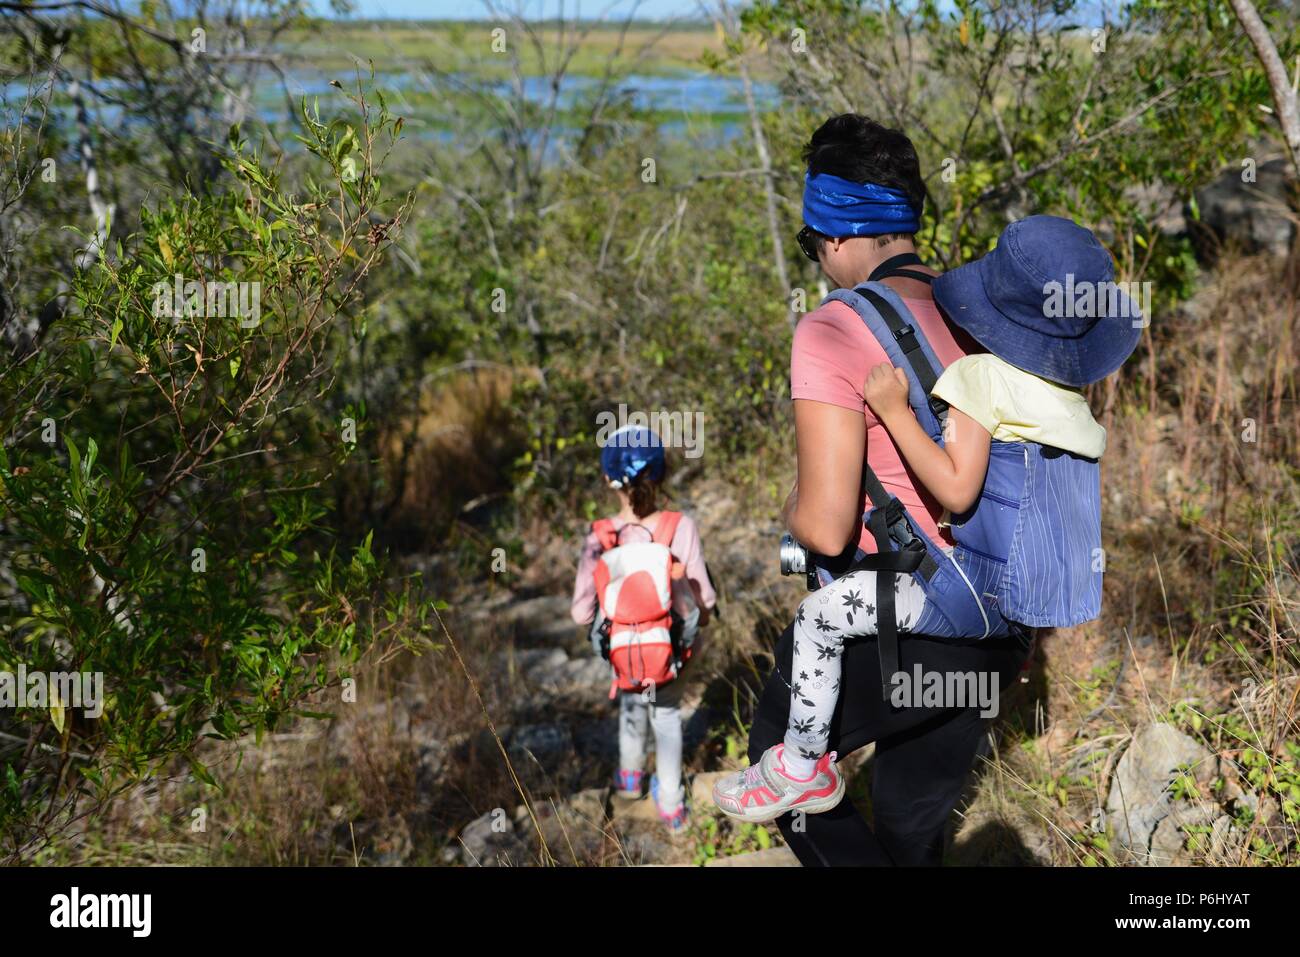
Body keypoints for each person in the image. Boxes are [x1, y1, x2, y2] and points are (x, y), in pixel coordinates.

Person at [713, 214, 1140, 824]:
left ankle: (802, 767)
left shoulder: (980, 376)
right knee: (914, 817)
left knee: (818, 617)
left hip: (963, 594)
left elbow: (956, 490)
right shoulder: (1070, 407)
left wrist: (893, 411)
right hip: (1020, 611)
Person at [712, 114, 1032, 865]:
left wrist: (794, 502)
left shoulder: (830, 329)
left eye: (811, 241)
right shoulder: (978, 311)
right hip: (1002, 622)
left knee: (782, 760)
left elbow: (823, 530)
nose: (818, 260)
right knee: (910, 822)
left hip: (902, 623)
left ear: (835, 231)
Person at [571, 425, 716, 831]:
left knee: (632, 702)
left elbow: (581, 613)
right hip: (669, 651)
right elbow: (704, 598)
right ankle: (671, 804)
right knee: (667, 716)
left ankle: (630, 779)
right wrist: (699, 621)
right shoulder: (678, 527)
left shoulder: (600, 536)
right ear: (662, 474)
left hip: (623, 652)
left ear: (607, 479)